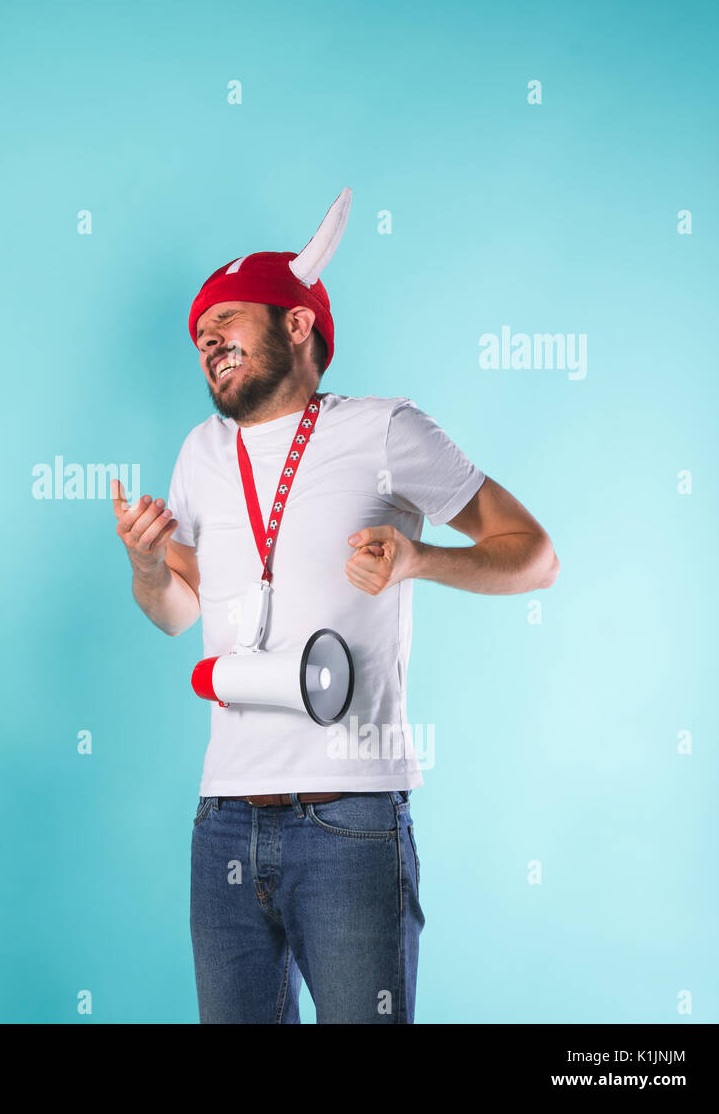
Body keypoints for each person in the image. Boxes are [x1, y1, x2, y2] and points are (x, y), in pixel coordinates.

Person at [111, 188, 558, 1023]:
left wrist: (420, 559)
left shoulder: (386, 429)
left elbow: (535, 554)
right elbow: (176, 612)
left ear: (297, 325)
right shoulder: (200, 453)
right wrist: (144, 564)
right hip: (224, 823)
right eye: (200, 337)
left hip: (351, 820)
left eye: (228, 323)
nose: (208, 342)